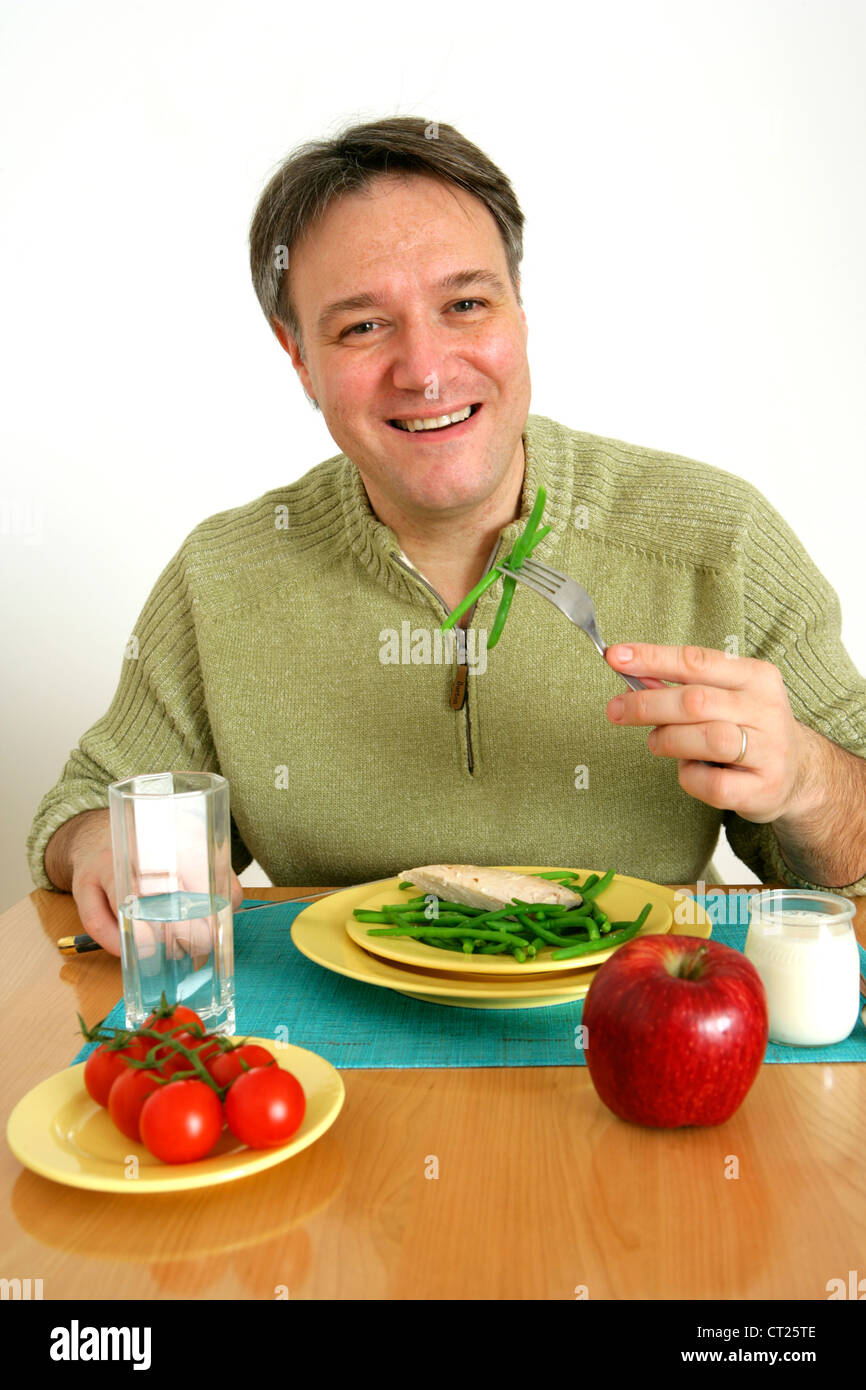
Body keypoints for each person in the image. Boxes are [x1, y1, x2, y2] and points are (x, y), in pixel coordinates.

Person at [27, 116, 866, 956]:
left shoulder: (721, 539)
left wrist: (807, 778)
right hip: (336, 1047)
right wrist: (102, 841)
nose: (425, 369)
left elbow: (851, 849)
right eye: (362, 326)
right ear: (298, 358)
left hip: (644, 1023)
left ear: (520, 315)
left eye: (465, 304)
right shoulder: (222, 576)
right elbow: (84, 805)